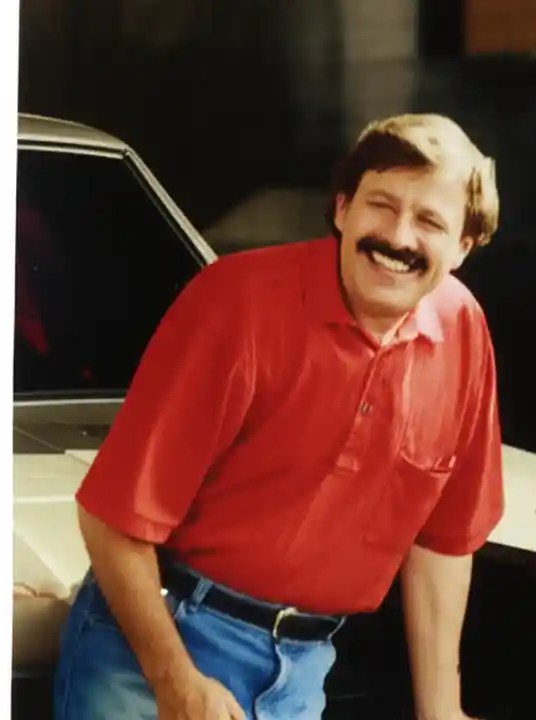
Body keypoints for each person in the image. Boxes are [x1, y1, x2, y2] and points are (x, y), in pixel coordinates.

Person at [54, 113, 505, 720]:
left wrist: (441, 709)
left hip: (305, 669)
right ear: (342, 208)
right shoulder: (236, 304)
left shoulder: (464, 332)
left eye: (429, 221)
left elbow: (443, 541)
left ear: (462, 248)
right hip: (156, 649)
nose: (398, 237)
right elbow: (111, 519)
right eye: (381, 204)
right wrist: (176, 681)